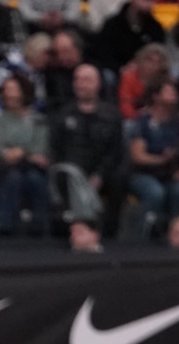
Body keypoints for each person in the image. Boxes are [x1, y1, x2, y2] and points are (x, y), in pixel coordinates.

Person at [49, 63, 126, 238]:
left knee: (119, 179)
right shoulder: (62, 114)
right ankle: (65, 233)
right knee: (60, 178)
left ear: (98, 84)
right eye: (77, 80)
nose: (81, 84)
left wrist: (99, 174)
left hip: (101, 171)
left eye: (87, 80)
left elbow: (115, 151)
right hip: (71, 170)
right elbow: (56, 149)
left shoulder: (112, 116)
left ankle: (109, 235)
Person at [0, 74, 51, 237]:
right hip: (4, 168)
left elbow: (40, 148)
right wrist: (25, 152)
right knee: (13, 178)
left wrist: (21, 152)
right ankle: (3, 226)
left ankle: (39, 227)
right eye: (7, 91)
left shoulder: (38, 121)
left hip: (33, 168)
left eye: (14, 90)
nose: (10, 95)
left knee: (34, 179)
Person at [128, 81, 179, 238]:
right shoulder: (143, 122)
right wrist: (161, 159)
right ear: (156, 96)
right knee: (155, 192)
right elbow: (138, 156)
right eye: (169, 92)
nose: (174, 95)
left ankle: (177, 236)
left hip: (170, 174)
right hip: (144, 174)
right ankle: (144, 236)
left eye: (174, 92)